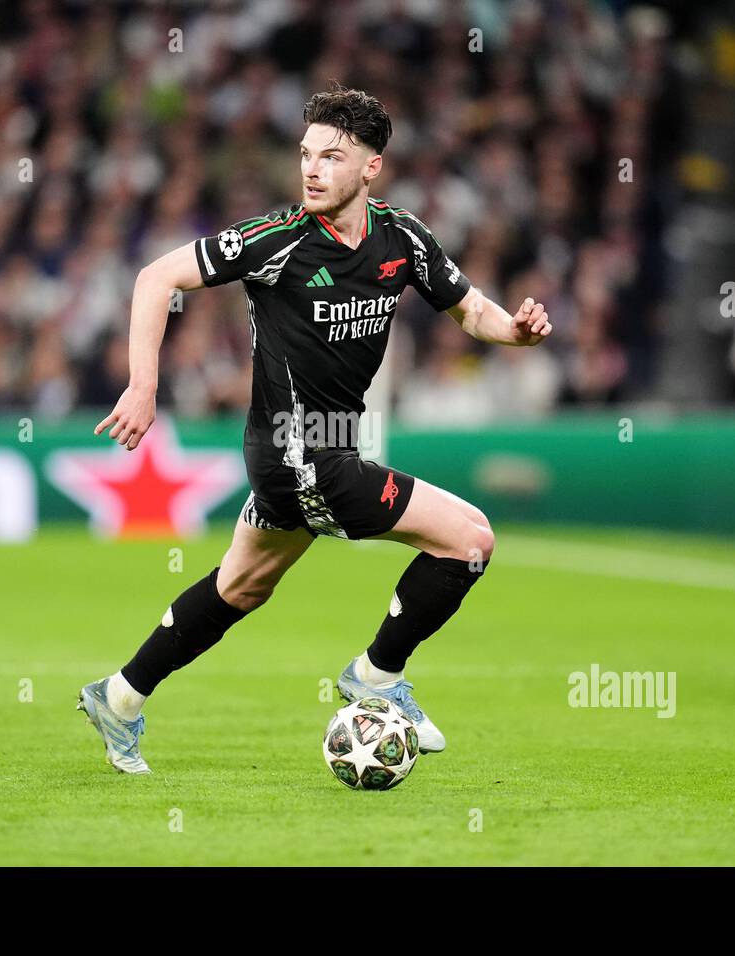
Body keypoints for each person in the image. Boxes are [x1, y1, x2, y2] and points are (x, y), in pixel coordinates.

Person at [78, 84, 552, 773]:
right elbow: (156, 278)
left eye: (332, 156)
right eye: (306, 154)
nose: (312, 169)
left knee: (241, 587)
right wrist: (144, 386)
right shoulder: (277, 241)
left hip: (321, 452)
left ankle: (118, 697)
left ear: (371, 168)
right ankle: (378, 677)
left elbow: (469, 309)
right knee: (470, 540)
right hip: (296, 455)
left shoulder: (403, 238)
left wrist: (514, 330)